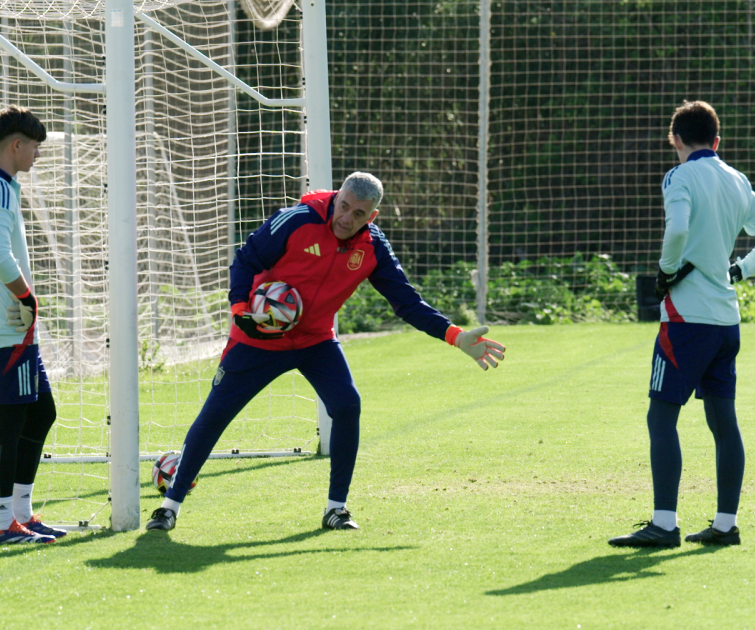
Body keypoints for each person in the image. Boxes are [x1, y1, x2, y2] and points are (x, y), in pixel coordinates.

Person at [145, 172, 507, 532]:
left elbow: (406, 302)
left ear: (372, 217)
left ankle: (337, 509)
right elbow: (246, 259)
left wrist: (455, 336)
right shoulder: (296, 221)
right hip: (258, 338)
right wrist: (241, 309)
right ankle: (169, 506)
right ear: (336, 198)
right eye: (344, 207)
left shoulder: (373, 247)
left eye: (358, 214)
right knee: (215, 415)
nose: (346, 218)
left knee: (347, 405)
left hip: (315, 340)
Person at [609, 101, 755, 548]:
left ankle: (664, 524)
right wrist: (739, 271)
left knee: (661, 417)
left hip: (686, 320)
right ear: (717, 140)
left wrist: (666, 271)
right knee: (723, 422)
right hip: (727, 321)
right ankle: (725, 525)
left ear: (675, 139)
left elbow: (677, 231)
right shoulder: (737, 179)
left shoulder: (680, 176)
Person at [0, 106, 66, 544]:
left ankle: (20, 514)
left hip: (9, 322)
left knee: (42, 412)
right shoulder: (1, 190)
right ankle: (2, 524)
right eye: (35, 147)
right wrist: (28, 299)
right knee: (10, 423)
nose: (37, 155)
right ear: (16, 145)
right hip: (10, 325)